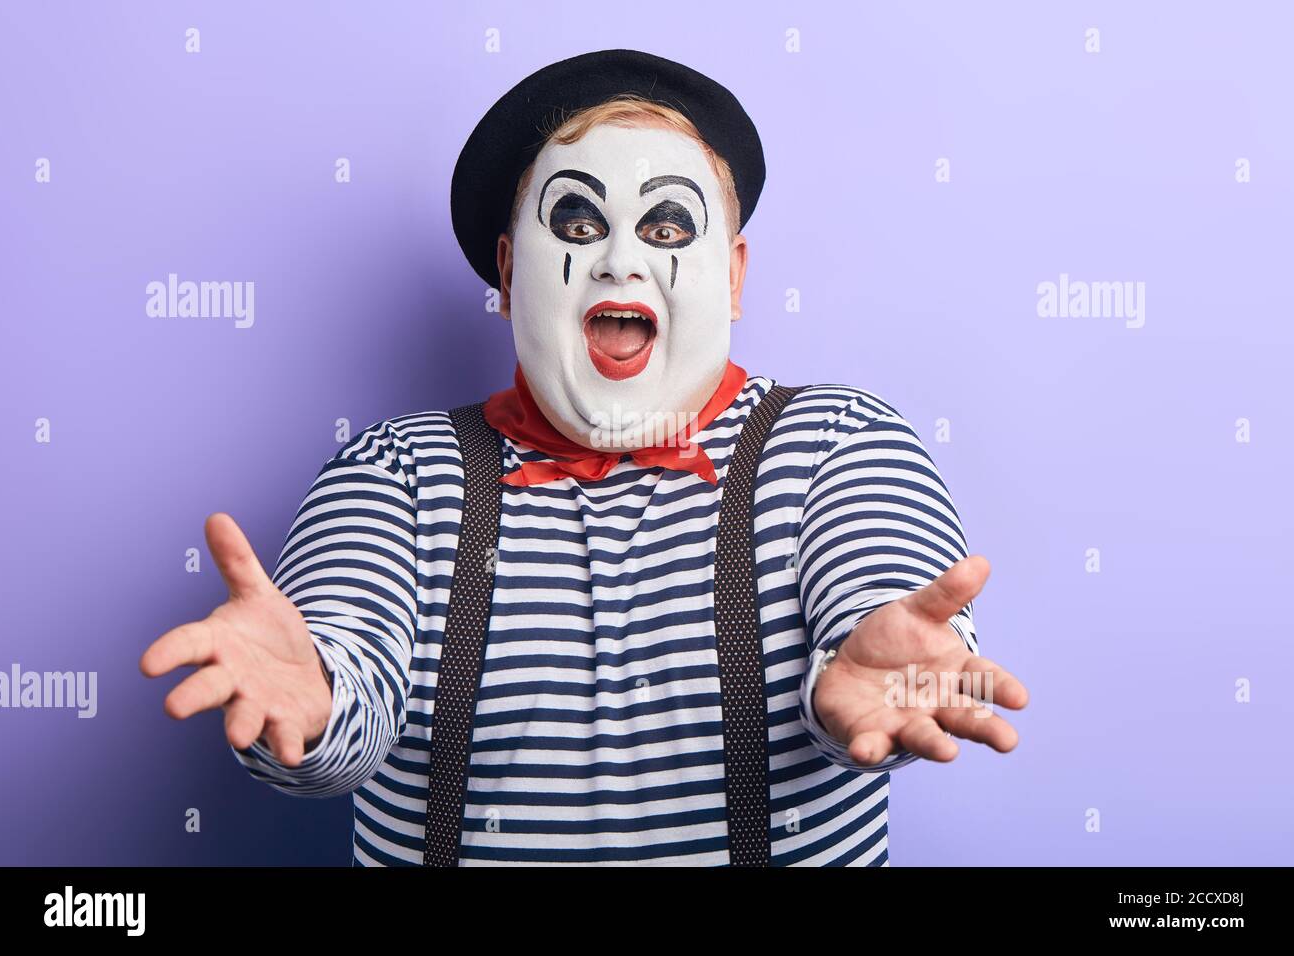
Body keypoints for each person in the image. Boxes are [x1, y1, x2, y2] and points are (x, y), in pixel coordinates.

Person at [140, 48, 1028, 866]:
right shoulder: (396, 472)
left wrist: (882, 675)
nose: (617, 262)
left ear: (733, 275)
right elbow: (338, 691)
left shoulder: (839, 445)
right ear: (508, 272)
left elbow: (886, 617)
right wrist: (314, 701)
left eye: (668, 227)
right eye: (575, 219)